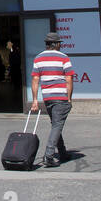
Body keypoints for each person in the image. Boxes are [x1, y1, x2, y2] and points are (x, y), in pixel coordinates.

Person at [29, 32, 76, 167]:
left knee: (56, 124)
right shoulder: (64, 58)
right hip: (61, 97)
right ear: (55, 44)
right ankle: (48, 156)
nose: (61, 45)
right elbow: (69, 79)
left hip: (48, 97)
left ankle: (63, 153)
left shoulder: (38, 58)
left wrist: (35, 101)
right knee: (57, 125)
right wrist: (69, 98)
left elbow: (35, 79)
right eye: (59, 43)